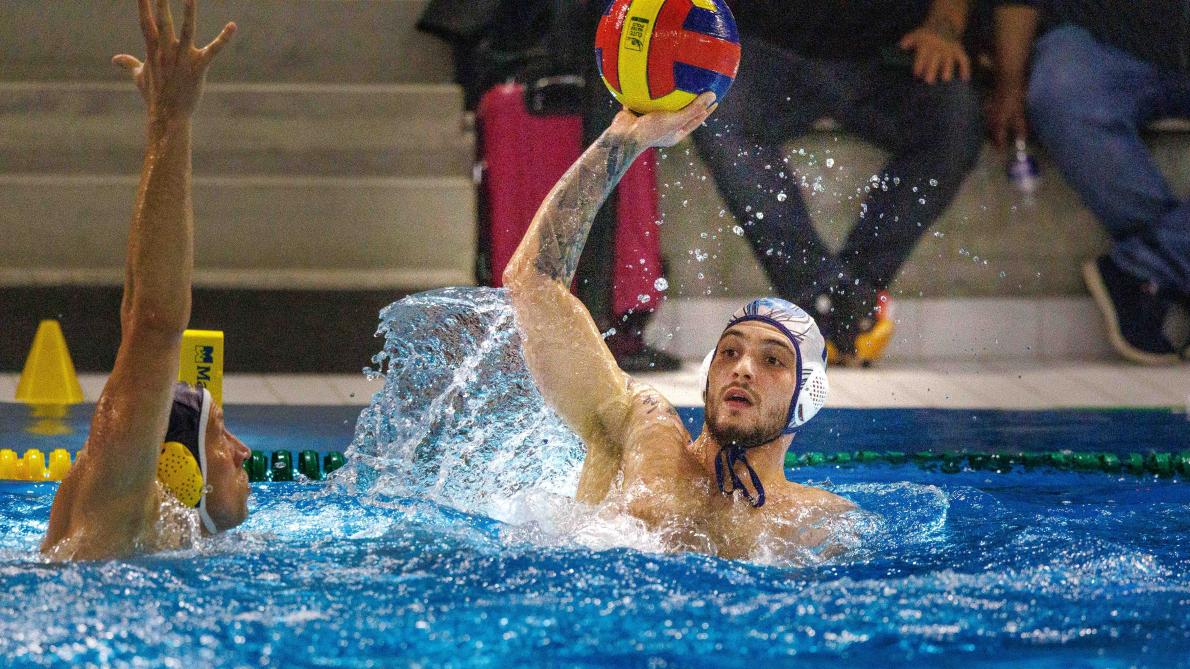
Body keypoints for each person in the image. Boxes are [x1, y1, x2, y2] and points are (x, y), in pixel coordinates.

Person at [503, 93, 856, 561]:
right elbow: (531, 282)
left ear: (806, 398)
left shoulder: (821, 520)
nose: (743, 370)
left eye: (773, 359)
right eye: (729, 353)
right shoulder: (640, 432)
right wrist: (618, 145)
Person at [41, 0, 249, 560]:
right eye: (220, 434)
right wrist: (171, 122)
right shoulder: (122, 506)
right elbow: (154, 324)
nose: (243, 452)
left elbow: (137, 314)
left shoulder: (137, 527)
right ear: (175, 463)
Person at [693, 0, 985, 366]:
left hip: (888, 57)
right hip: (765, 52)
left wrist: (942, 29)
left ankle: (839, 301)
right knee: (711, 109)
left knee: (956, 119)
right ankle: (835, 297)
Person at [987, 1, 1190, 364]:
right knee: (1060, 91)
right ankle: (1168, 263)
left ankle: (1147, 266)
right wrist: (1010, 80)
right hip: (1098, 39)